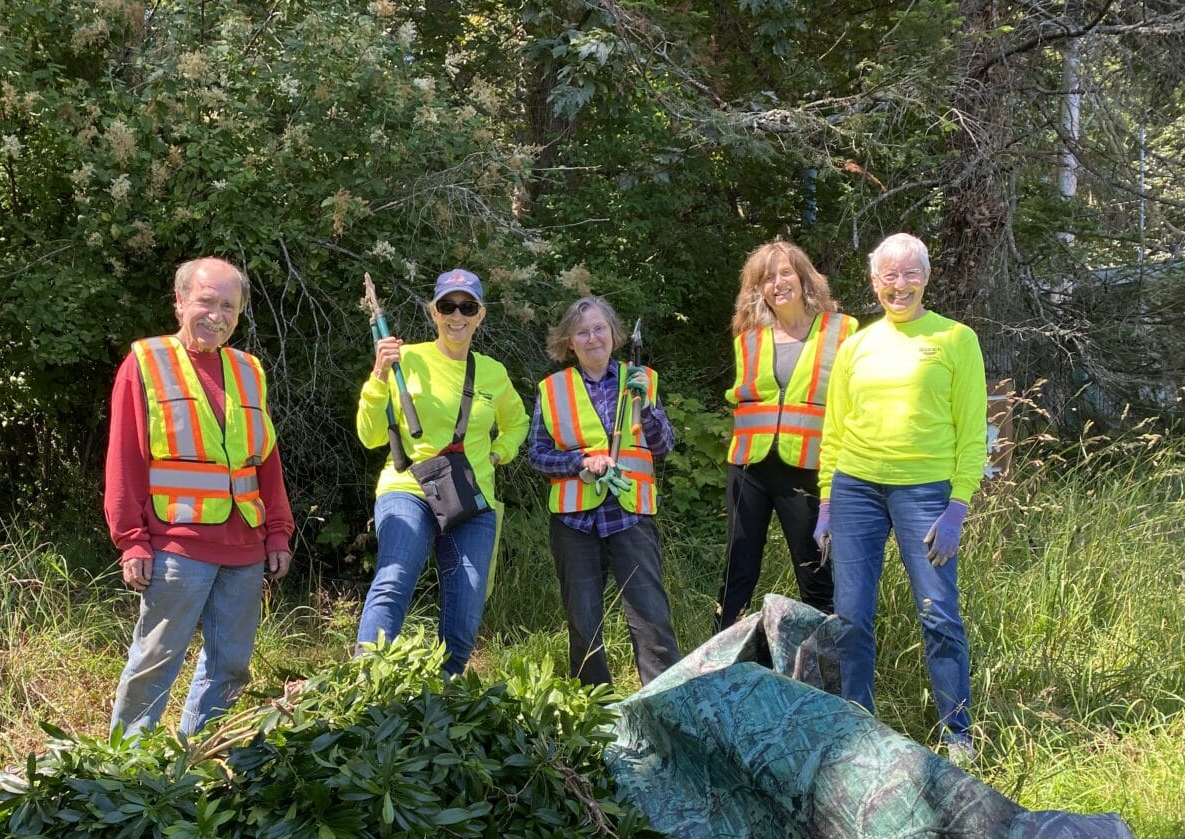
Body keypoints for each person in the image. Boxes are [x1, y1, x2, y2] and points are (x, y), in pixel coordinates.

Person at [105, 257, 293, 736]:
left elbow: (265, 461)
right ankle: (127, 772)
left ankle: (199, 763)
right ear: (180, 302)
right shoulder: (146, 363)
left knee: (231, 667)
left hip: (245, 549)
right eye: (206, 300)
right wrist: (131, 539)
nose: (217, 314)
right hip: (177, 545)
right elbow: (125, 457)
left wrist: (278, 533)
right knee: (155, 664)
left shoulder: (249, 369)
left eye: (229, 306)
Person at [814, 233, 986, 757]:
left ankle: (959, 735)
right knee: (851, 615)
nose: (900, 284)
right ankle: (858, 731)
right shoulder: (856, 346)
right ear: (874, 283)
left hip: (927, 493)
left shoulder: (956, 340)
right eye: (889, 275)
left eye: (910, 273)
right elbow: (835, 430)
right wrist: (825, 505)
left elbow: (972, 429)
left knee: (938, 611)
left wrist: (958, 506)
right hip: (855, 490)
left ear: (926, 278)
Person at [356, 269, 529, 673]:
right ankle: (366, 682)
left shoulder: (493, 373)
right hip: (409, 487)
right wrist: (380, 375)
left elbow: (518, 422)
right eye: (447, 306)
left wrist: (498, 454)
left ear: (480, 315)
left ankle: (443, 697)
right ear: (433, 312)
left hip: (470, 497)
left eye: (467, 307)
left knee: (467, 604)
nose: (457, 315)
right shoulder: (405, 359)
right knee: (395, 577)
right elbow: (369, 436)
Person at [529, 296, 681, 686]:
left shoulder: (641, 379)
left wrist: (646, 405)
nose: (592, 338)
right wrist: (579, 462)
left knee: (652, 623)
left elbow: (663, 447)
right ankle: (593, 717)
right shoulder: (551, 389)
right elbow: (538, 455)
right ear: (569, 342)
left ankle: (664, 710)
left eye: (599, 329)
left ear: (613, 334)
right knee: (584, 626)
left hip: (630, 515)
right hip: (574, 522)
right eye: (582, 332)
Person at [716, 239, 857, 630]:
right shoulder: (748, 339)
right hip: (749, 467)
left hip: (811, 468)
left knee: (816, 572)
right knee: (737, 568)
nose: (777, 283)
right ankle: (720, 662)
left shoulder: (843, 331)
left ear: (803, 277)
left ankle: (827, 665)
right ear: (757, 289)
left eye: (785, 272)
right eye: (767, 278)